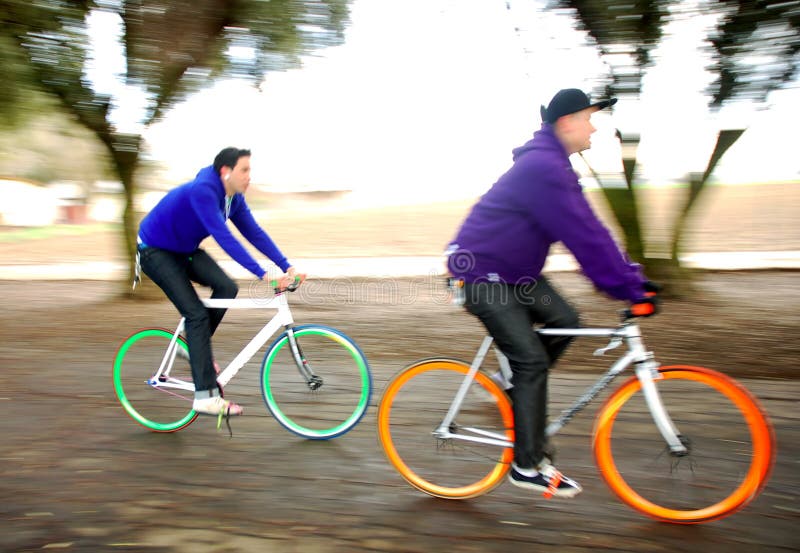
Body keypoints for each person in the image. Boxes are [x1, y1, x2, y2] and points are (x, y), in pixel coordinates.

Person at [445, 89, 657, 499]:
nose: (594, 126)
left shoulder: (551, 166)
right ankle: (526, 467)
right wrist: (629, 287)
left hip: (514, 275)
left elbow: (590, 233)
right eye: (588, 118)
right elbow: (586, 237)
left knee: (567, 321)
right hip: (478, 275)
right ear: (566, 123)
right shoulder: (544, 168)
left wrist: (633, 280)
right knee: (530, 361)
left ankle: (514, 388)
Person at [136, 147, 305, 417]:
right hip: (155, 250)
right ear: (226, 172)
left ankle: (192, 348)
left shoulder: (233, 198)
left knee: (227, 287)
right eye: (245, 170)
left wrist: (286, 265)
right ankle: (204, 397)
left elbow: (253, 232)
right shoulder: (204, 191)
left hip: (184, 250)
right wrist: (263, 273)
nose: (249, 176)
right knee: (196, 314)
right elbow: (224, 238)